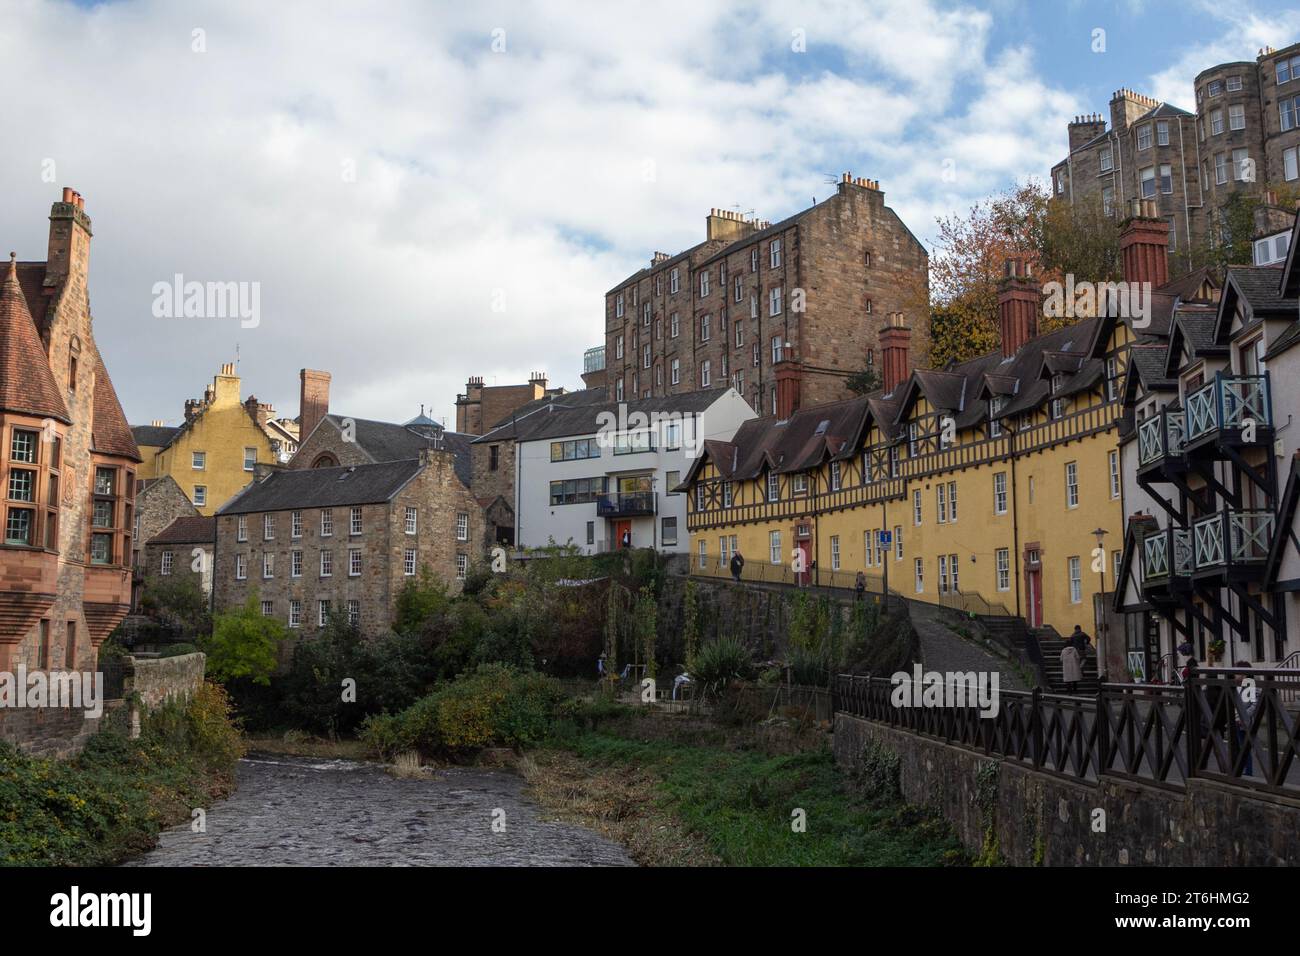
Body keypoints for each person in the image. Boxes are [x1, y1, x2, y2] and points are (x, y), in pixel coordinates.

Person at [1234, 662, 1257, 777]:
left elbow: (1254, 705)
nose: (1234, 675)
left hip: (1246, 721)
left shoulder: (1251, 686)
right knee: (1239, 747)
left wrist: (1243, 716)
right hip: (1237, 721)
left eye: (1236, 672)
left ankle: (1248, 772)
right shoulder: (1238, 686)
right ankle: (1242, 770)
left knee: (1245, 748)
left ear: (1244, 674)